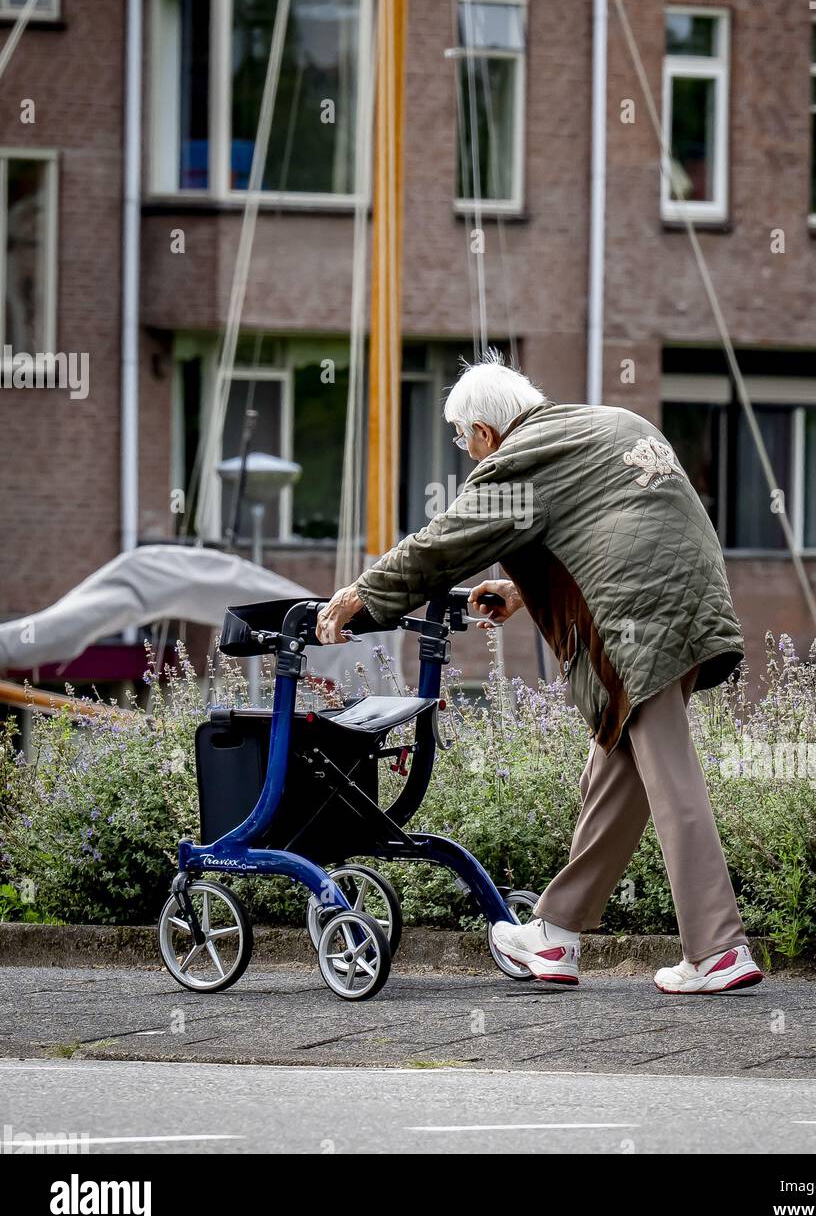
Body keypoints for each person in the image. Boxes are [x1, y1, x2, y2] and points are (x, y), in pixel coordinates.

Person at [315, 350, 762, 994]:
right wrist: (522, 593)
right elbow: (610, 524)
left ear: (485, 434)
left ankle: (718, 949)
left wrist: (364, 593)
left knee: (669, 774)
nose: (470, 457)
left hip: (636, 620)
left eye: (464, 443)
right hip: (687, 603)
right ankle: (555, 937)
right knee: (619, 772)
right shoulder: (603, 425)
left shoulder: (522, 457)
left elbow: (445, 541)